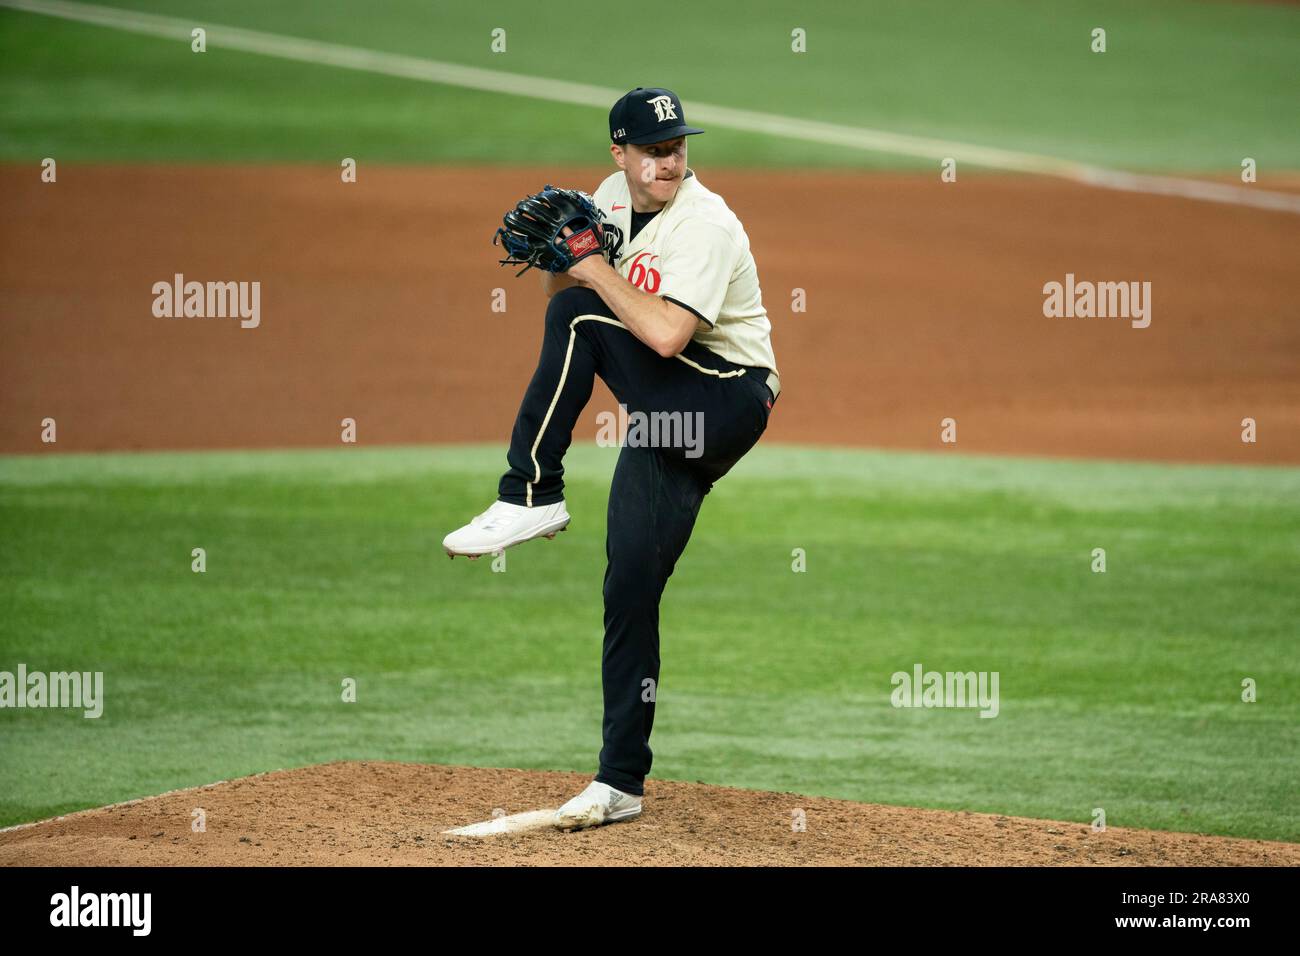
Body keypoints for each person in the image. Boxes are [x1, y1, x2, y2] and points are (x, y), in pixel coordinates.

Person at [443, 87, 781, 830]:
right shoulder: (606, 200)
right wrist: (561, 261)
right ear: (619, 153)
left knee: (578, 310)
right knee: (629, 580)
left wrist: (588, 272)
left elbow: (661, 337)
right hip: (665, 420)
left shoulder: (707, 225)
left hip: (725, 400)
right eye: (654, 149)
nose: (668, 161)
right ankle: (620, 780)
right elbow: (574, 302)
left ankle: (530, 491)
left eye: (678, 147)